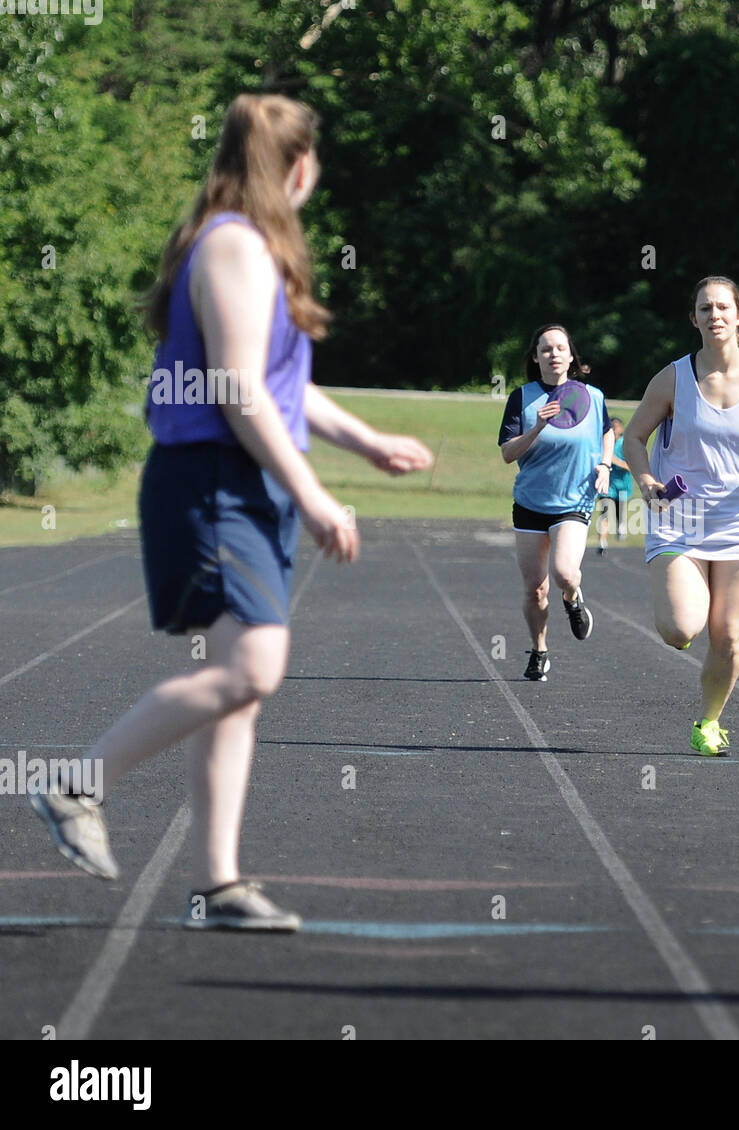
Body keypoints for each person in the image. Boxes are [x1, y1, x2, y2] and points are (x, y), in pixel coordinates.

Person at [28, 94, 433, 930]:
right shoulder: (236, 250)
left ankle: (218, 884)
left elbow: (283, 388)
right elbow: (241, 392)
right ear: (297, 166)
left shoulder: (242, 249)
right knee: (255, 667)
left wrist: (365, 441)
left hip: (243, 479)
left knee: (238, 689)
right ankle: (76, 782)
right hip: (215, 481)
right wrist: (318, 495)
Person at [623, 276, 739, 756]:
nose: (715, 315)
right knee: (681, 628)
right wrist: (645, 483)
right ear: (694, 319)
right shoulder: (673, 378)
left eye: (723, 307)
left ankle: (708, 721)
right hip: (680, 517)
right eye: (705, 308)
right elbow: (633, 438)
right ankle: (685, 612)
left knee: (728, 634)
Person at [498, 324, 614, 681]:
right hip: (531, 502)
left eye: (560, 347)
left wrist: (606, 465)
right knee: (535, 588)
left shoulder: (592, 397)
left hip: (574, 499)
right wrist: (536, 427)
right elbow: (507, 453)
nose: (554, 354)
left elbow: (606, 431)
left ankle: (572, 598)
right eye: (545, 349)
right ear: (535, 356)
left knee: (564, 573)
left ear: (570, 355)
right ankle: (539, 651)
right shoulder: (522, 397)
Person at [596, 416, 633, 555]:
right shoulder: (603, 443)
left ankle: (621, 527)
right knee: (604, 513)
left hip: (622, 486)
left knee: (620, 514)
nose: (613, 430)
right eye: (611, 427)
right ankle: (602, 542)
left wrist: (614, 460)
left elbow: (631, 466)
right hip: (607, 485)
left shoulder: (625, 445)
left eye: (616, 427)